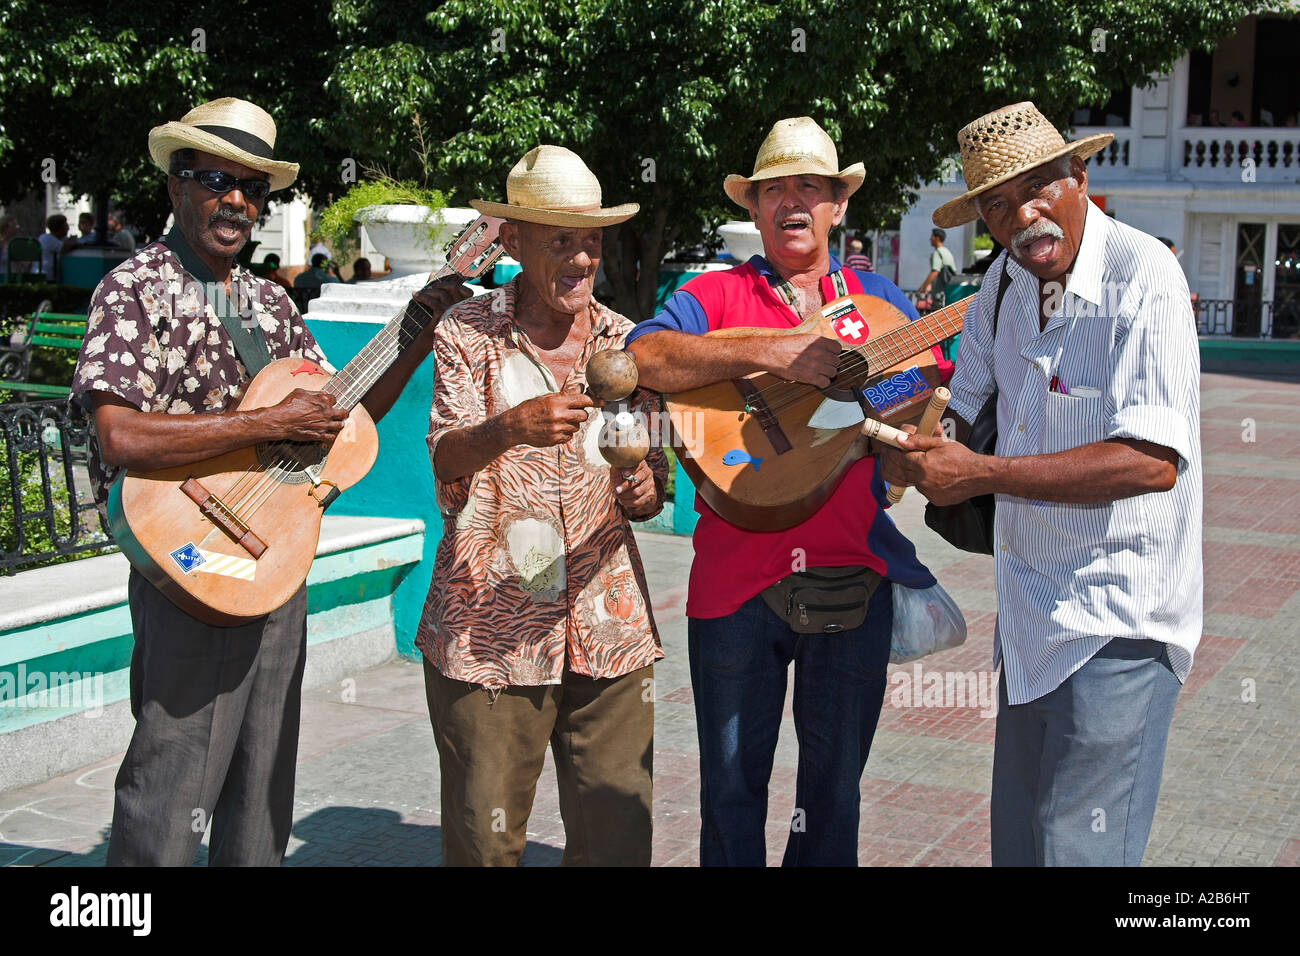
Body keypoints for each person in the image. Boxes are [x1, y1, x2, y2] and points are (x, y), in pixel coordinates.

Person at [69, 96, 470, 867]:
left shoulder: (269, 302)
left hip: (275, 565)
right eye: (217, 180)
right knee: (169, 792)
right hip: (188, 564)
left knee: (261, 799)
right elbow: (118, 434)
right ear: (176, 186)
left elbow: (338, 415)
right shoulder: (135, 288)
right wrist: (262, 425)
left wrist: (421, 325)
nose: (238, 202)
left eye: (255, 190)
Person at [880, 101, 1202, 867]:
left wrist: (981, 474)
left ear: (1078, 176)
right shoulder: (1001, 286)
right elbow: (965, 411)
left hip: (1119, 624)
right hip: (1029, 625)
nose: (1022, 215)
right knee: (1022, 850)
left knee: (1079, 854)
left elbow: (1152, 461)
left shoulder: (1144, 275)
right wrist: (912, 453)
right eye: (997, 204)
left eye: (1038, 188)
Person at [628, 117, 950, 866]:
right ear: (753, 208)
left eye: (811, 186)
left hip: (852, 577)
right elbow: (643, 355)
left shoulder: (878, 303)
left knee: (833, 800)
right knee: (731, 795)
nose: (792, 201)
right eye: (775, 188)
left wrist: (897, 407)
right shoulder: (709, 294)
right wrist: (780, 354)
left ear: (839, 204)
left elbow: (917, 402)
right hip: (732, 586)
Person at [418, 145, 667, 867]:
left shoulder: (629, 343)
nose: (581, 259)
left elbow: (653, 474)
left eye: (591, 241)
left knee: (617, 842)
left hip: (609, 626)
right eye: (560, 240)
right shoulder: (467, 332)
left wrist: (649, 489)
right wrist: (510, 428)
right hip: (490, 634)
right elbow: (444, 455)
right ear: (515, 241)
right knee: (485, 844)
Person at [918, 227, 957, 305]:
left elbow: (934, 272)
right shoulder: (947, 252)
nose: (930, 239)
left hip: (939, 294)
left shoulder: (937, 253)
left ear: (937, 238)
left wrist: (922, 288)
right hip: (949, 292)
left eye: (931, 237)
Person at [37, 214, 80, 280]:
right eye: (66, 226)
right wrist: (73, 240)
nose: (68, 228)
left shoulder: (58, 239)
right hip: (45, 276)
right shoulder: (46, 238)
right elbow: (64, 248)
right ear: (59, 228)